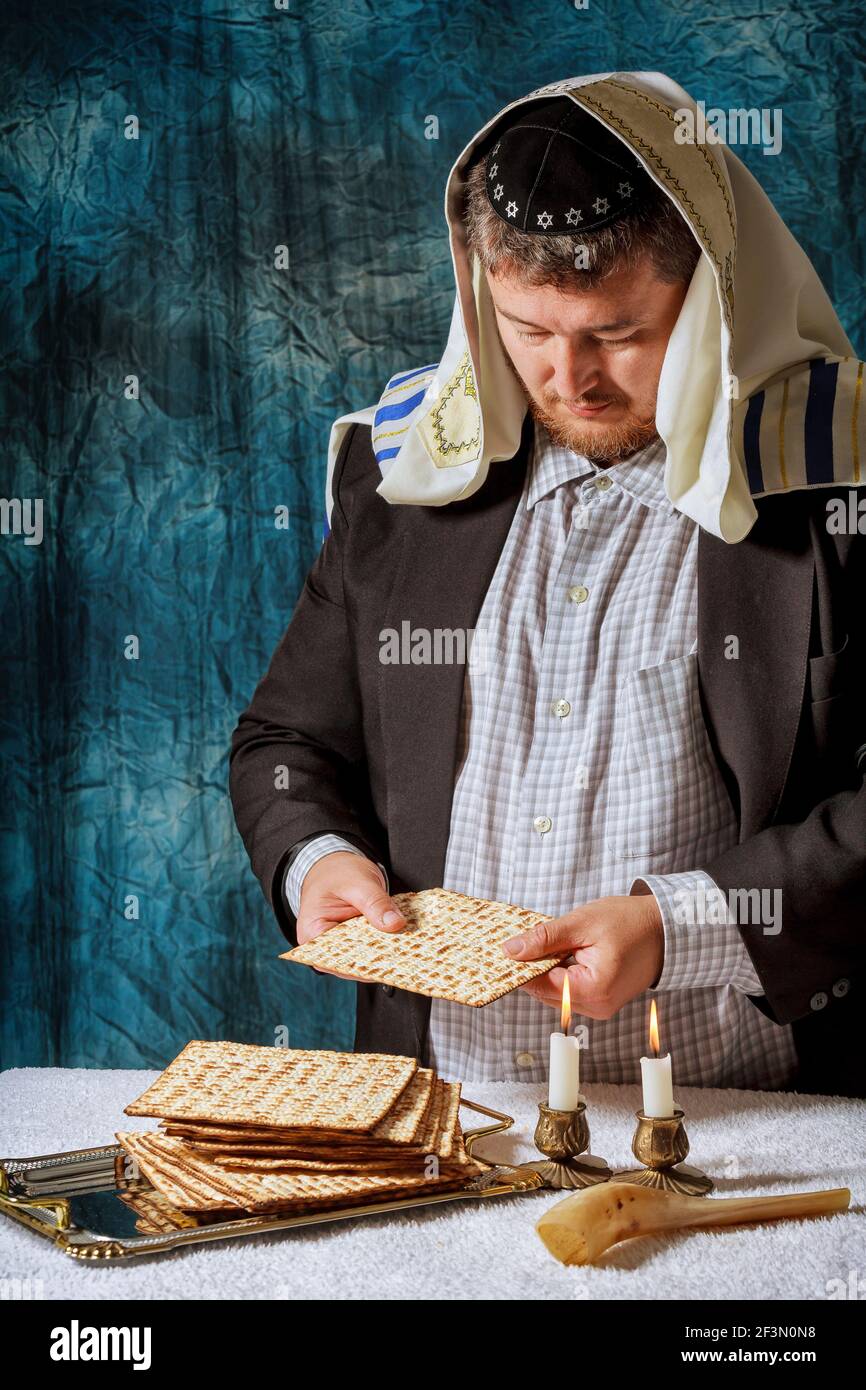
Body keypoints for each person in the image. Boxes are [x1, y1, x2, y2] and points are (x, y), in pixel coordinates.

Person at [229, 72, 865, 1097]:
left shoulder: (838, 483)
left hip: (746, 1113)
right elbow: (286, 745)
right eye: (528, 331)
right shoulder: (397, 478)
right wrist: (320, 860)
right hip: (446, 1110)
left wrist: (680, 924)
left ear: (711, 292)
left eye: (615, 333)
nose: (568, 379)